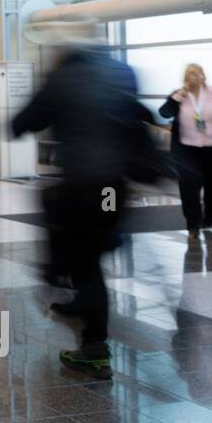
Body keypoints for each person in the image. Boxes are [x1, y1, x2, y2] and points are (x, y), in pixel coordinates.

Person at [12, 19, 151, 381]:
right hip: (112, 189)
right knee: (94, 249)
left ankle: (93, 349)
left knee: (84, 261)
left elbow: (23, 122)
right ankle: (80, 286)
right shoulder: (123, 72)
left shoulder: (63, 77)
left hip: (80, 187)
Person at [158, 63, 212, 239]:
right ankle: (192, 225)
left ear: (203, 75)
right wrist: (180, 95)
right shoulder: (179, 95)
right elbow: (164, 112)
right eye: (190, 74)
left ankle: (208, 220)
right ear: (185, 78)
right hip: (186, 149)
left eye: (197, 73)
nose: (194, 76)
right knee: (189, 186)